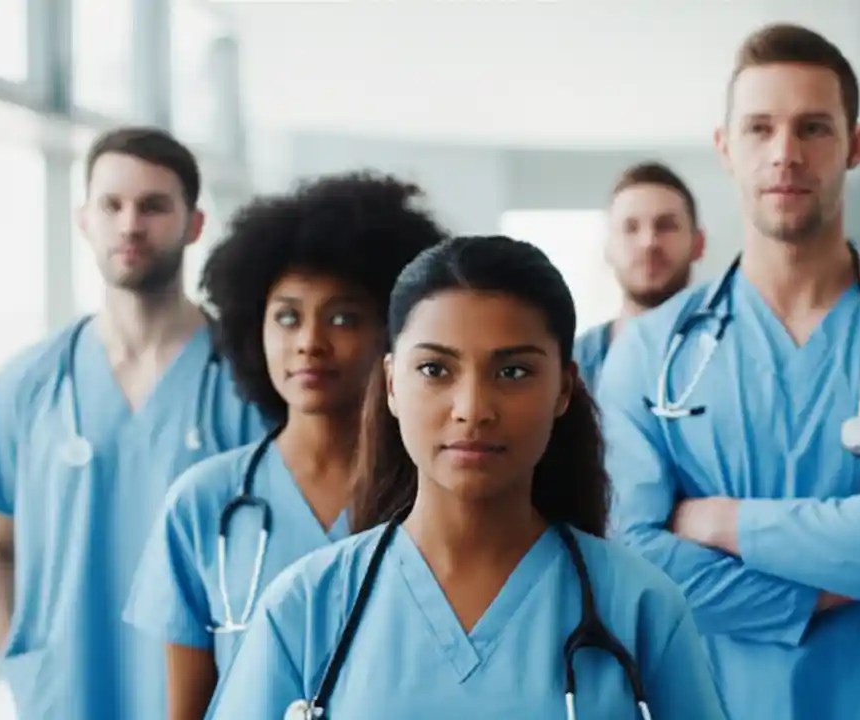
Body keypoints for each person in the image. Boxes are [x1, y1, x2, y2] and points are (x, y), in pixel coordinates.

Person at [596, 23, 860, 719]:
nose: (785, 153)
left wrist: (722, 522)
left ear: (855, 146)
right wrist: (840, 579)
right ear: (726, 148)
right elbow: (631, 564)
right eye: (760, 128)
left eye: (813, 128)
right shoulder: (650, 353)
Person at [206, 235, 728, 720]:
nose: (472, 409)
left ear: (564, 389)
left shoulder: (642, 609)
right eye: (435, 370)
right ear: (391, 385)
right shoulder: (308, 606)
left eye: (513, 372)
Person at [0, 127, 267, 719]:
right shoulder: (30, 383)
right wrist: (20, 663)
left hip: (205, 698)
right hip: (64, 696)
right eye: (111, 205)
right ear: (84, 219)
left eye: (154, 206)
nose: (130, 224)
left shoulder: (247, 382)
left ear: (194, 224)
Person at [121, 172, 447, 719]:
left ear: (391, 335)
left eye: (343, 317)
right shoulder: (205, 503)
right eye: (288, 317)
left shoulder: (434, 498)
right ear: (255, 329)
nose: (310, 343)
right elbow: (186, 709)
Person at [574, 162, 705, 391]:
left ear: (698, 244)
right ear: (608, 248)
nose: (648, 243)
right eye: (630, 228)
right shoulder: (573, 367)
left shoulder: (733, 357)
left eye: (665, 226)